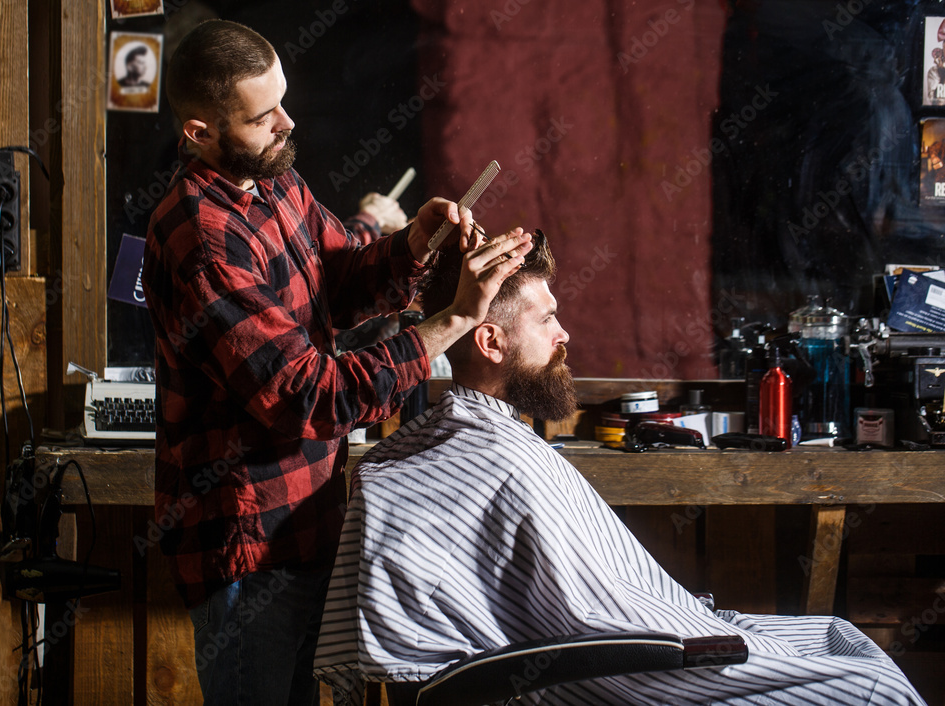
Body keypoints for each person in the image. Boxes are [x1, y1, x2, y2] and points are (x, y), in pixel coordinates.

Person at [313, 231, 926, 705]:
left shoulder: (475, 447)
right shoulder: (492, 461)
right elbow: (593, 620)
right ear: (491, 342)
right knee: (870, 689)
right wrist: (699, 633)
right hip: (638, 673)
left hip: (652, 642)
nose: (565, 332)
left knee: (838, 638)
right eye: (547, 318)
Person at [141, 19, 534, 706]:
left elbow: (340, 271)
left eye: (282, 101)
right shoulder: (202, 242)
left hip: (310, 521)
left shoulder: (271, 181)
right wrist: (456, 320)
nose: (286, 123)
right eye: (263, 117)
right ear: (200, 133)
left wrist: (412, 243)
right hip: (245, 544)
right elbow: (307, 396)